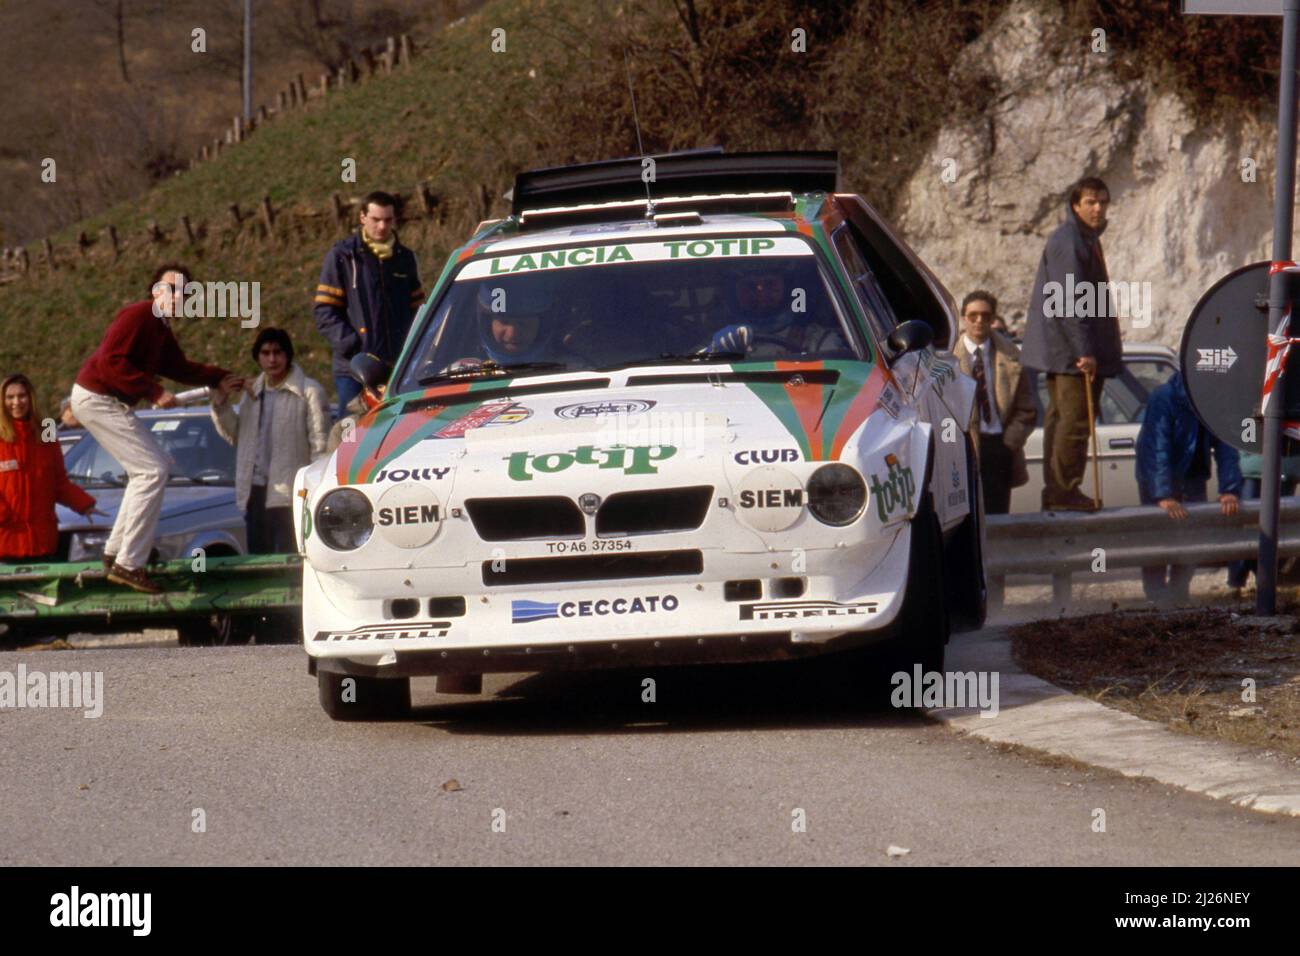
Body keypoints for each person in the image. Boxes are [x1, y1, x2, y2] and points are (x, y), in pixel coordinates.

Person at [70, 264, 242, 593]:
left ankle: (114, 553)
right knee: (153, 469)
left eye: (185, 292)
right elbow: (111, 361)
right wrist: (154, 392)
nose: (178, 296)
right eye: (172, 289)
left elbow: (181, 368)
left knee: (146, 471)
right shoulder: (138, 316)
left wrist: (220, 375)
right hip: (97, 398)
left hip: (103, 400)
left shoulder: (160, 329)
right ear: (155, 292)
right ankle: (128, 563)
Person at [1021, 176, 1123, 511]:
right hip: (1070, 351)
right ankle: (1064, 491)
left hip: (1066, 348)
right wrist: (1084, 351)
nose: (1098, 208)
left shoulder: (1083, 238)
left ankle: (1057, 490)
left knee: (1062, 418)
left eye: (1103, 202)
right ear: (1075, 205)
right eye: (1091, 202)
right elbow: (1069, 301)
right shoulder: (1070, 240)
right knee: (1075, 421)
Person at [212, 329, 329, 554]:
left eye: (278, 352)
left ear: (288, 355)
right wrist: (221, 404)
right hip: (254, 490)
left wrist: (315, 487)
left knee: (292, 558)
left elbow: (319, 443)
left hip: (290, 491)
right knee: (258, 558)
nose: (272, 359)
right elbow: (238, 436)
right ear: (258, 357)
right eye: (266, 353)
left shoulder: (309, 391)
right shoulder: (252, 392)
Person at [314, 190, 424, 418]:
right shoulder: (343, 256)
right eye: (376, 219)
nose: (382, 226)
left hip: (399, 368)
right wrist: (354, 347)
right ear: (362, 217)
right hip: (353, 371)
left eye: (388, 220)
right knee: (353, 435)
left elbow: (418, 311)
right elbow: (324, 312)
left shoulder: (405, 258)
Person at [1135, 372, 1241, 604]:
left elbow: (1226, 444)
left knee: (1192, 536)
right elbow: (1157, 447)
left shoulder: (1213, 398)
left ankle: (1178, 592)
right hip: (1157, 476)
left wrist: (1229, 488)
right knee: (1157, 538)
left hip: (1192, 475)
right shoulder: (1165, 397)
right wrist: (1162, 494)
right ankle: (1156, 595)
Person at [0, 374, 102, 561]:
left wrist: (85, 504)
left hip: (42, 542)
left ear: (31, 398)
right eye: (10, 397)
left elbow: (58, 481)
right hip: (5, 541)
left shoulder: (46, 430)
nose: (16, 402)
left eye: (22, 396)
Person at [954, 291, 1037, 516]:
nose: (979, 321)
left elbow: (1027, 408)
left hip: (1000, 446)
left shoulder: (1010, 356)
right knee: (966, 520)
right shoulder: (948, 360)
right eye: (973, 316)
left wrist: (1009, 441)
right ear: (963, 318)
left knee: (998, 518)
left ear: (992, 319)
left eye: (985, 316)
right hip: (963, 450)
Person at [707, 263, 845, 357]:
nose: (761, 294)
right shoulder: (718, 341)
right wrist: (713, 355)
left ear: (787, 289)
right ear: (734, 294)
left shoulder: (817, 341)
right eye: (749, 286)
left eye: (770, 284)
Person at [1226, 451, 1300, 591]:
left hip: (1281, 469)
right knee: (1249, 526)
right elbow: (1247, 436)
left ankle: (1264, 581)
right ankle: (1239, 580)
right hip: (1258, 470)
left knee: (1275, 526)